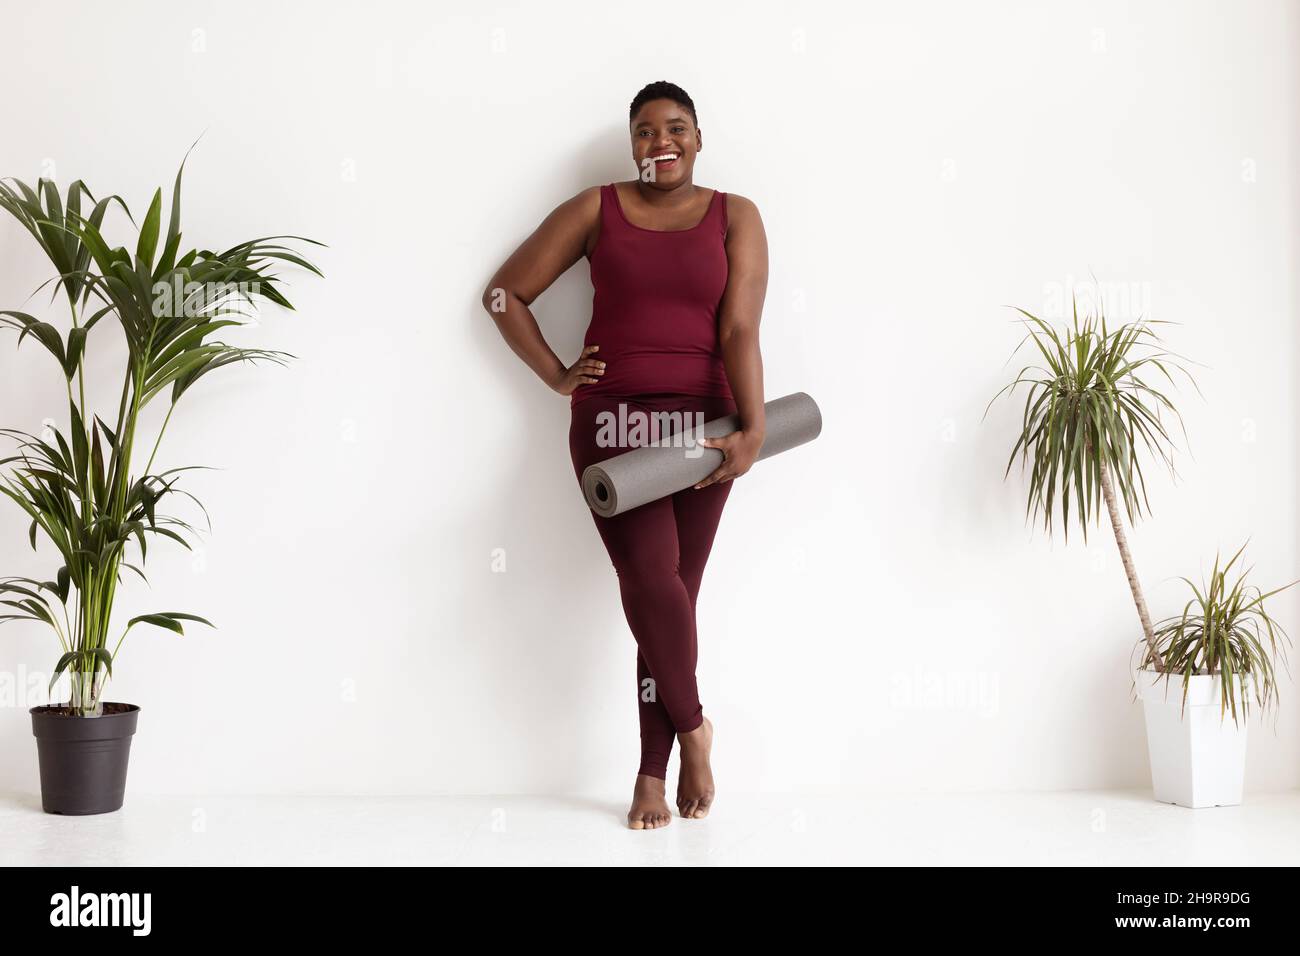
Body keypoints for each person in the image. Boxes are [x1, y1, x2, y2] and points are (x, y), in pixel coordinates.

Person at [482, 81, 768, 829]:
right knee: (650, 582)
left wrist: (753, 428)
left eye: (676, 127)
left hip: (705, 430)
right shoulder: (594, 209)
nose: (660, 141)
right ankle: (696, 730)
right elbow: (505, 295)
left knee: (670, 597)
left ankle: (649, 773)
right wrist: (555, 374)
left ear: (700, 137)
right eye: (645, 131)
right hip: (615, 425)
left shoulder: (738, 216)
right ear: (633, 145)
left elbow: (739, 330)